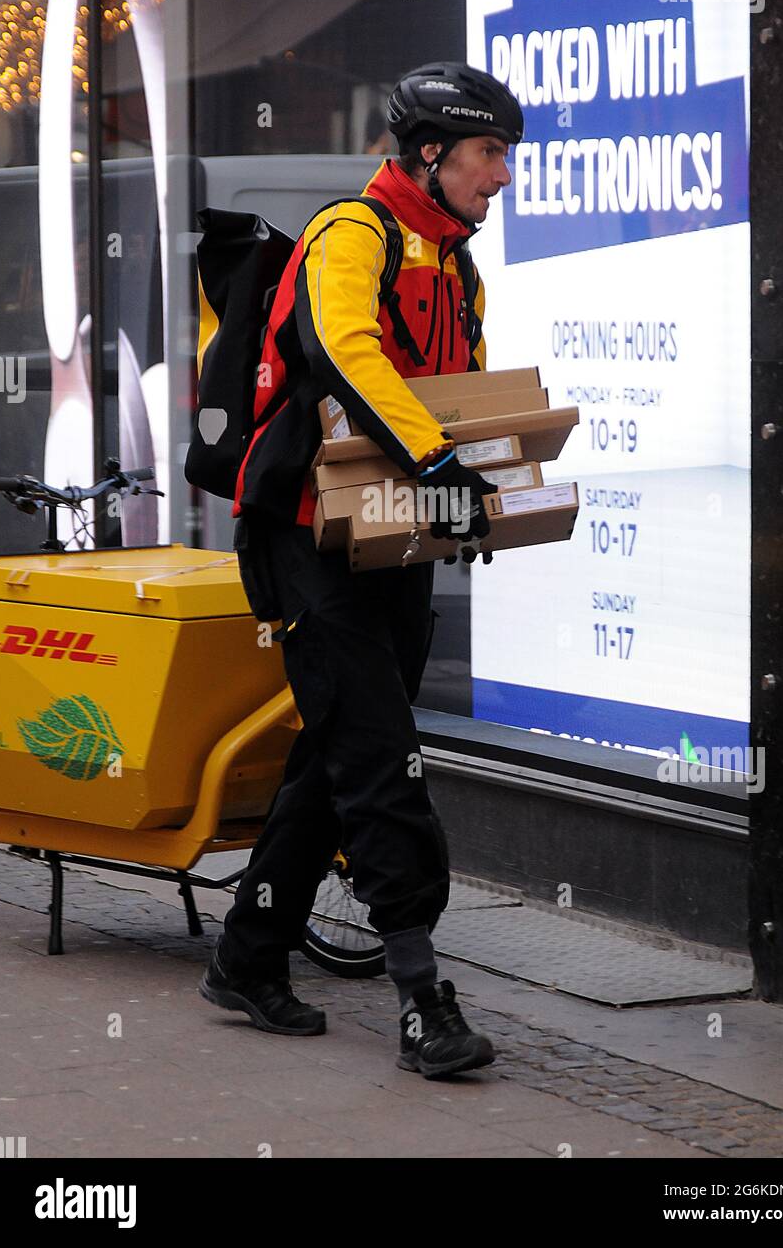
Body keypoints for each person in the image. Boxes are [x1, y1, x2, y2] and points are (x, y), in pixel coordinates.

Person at [199, 62, 523, 1078]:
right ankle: (422, 999)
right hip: (304, 531)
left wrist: (481, 486)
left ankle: (249, 953)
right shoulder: (355, 236)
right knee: (380, 760)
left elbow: (461, 393)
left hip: (388, 532)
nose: (501, 175)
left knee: (334, 756)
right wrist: (437, 462)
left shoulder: (456, 267)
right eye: (486, 153)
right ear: (427, 154)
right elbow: (344, 353)